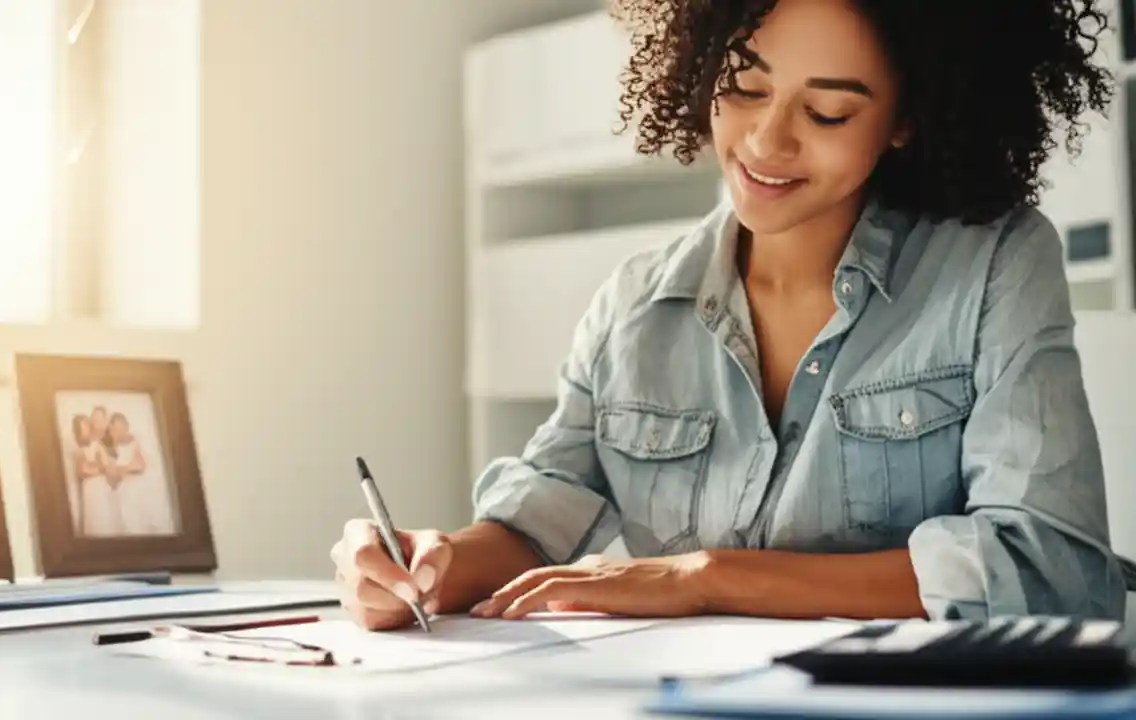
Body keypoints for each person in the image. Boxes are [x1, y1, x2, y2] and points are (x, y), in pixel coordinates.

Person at [332, 0, 1133, 630]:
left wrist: (708, 578)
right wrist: (427, 563)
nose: (766, 140)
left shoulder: (994, 266)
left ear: (906, 121)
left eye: (827, 114)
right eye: (745, 86)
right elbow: (540, 517)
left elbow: (1049, 570)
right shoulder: (634, 305)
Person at [78, 409, 122, 536]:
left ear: (107, 422)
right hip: (92, 488)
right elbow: (82, 470)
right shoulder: (85, 443)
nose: (97, 422)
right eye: (94, 419)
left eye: (101, 419)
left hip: (108, 489)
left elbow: (113, 471)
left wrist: (106, 469)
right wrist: (101, 468)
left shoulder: (110, 444)